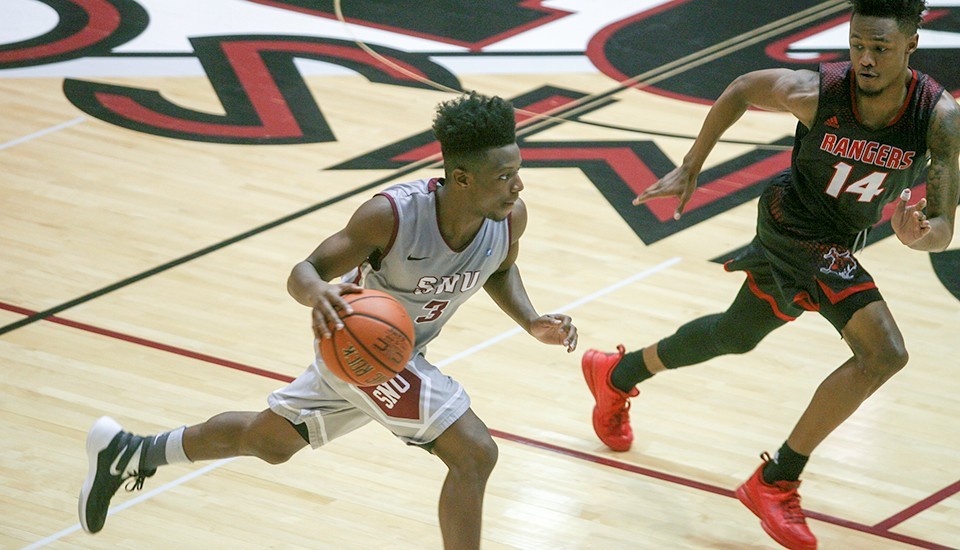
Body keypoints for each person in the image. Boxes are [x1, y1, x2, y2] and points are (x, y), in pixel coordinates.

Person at [79, 91, 578, 549]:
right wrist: (318, 292)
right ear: (462, 177)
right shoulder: (392, 216)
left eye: (517, 171)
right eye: (504, 176)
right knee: (474, 453)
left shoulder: (509, 217)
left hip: (394, 351)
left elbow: (501, 268)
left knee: (269, 442)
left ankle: (131, 452)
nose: (517, 185)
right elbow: (306, 271)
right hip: (360, 347)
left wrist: (531, 321)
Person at [581, 1, 958, 548]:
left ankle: (616, 373)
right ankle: (775, 480)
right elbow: (739, 87)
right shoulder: (820, 92)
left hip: (838, 239)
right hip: (793, 224)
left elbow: (945, 223)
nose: (866, 58)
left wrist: (922, 235)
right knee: (885, 353)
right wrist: (690, 166)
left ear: (910, 46)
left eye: (880, 47)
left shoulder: (938, 117)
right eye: (857, 44)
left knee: (735, 335)